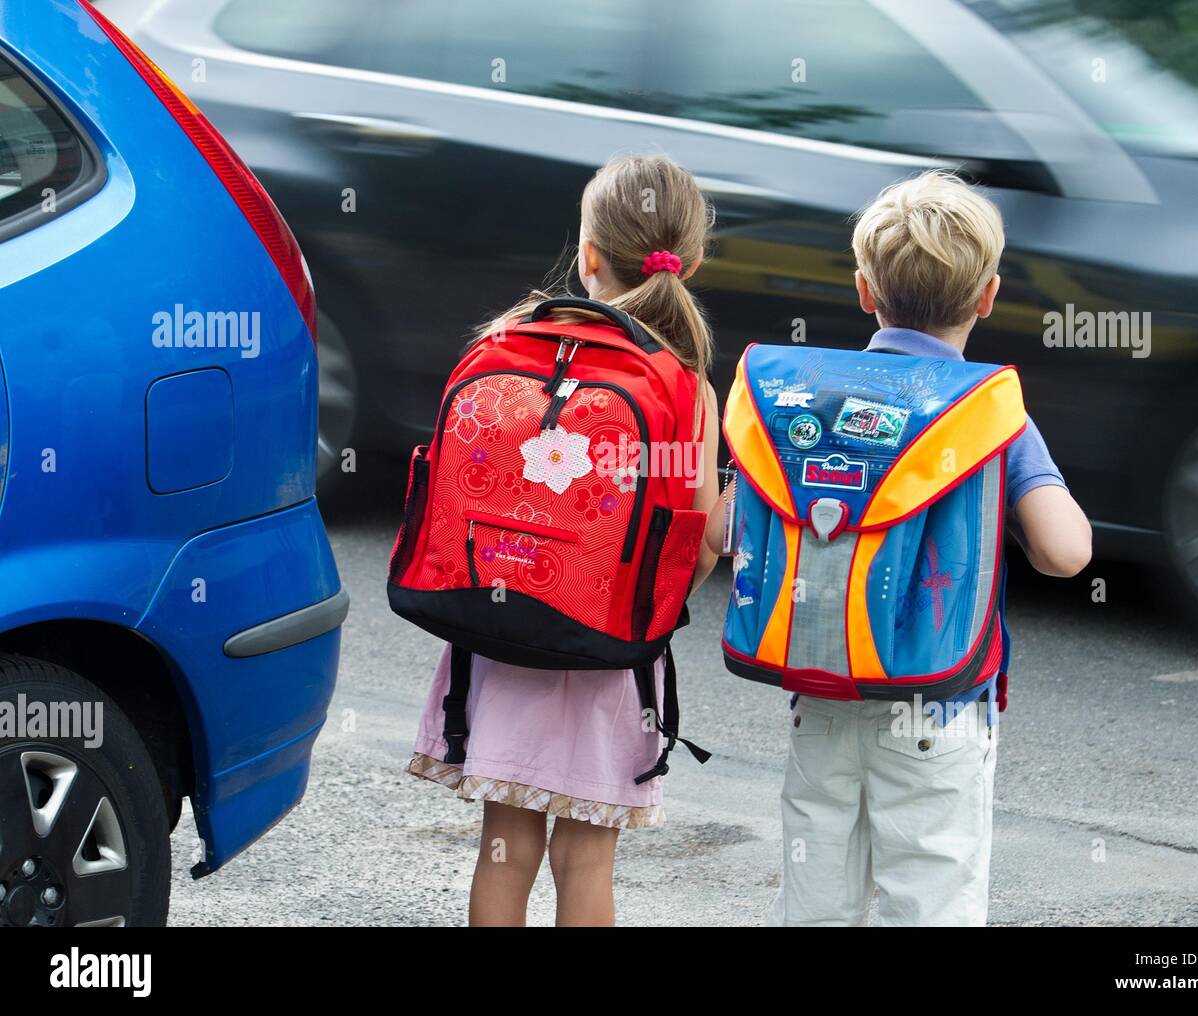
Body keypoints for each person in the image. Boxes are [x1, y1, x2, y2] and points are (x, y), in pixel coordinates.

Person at [754, 170, 1092, 926]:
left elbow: (726, 528)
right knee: (931, 898)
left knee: (814, 897)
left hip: (826, 690)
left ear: (864, 291)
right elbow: (1066, 552)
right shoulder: (987, 413)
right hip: (938, 706)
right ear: (988, 296)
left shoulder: (812, 396)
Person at [408, 154, 720, 927]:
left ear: (587, 259)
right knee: (586, 860)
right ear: (692, 260)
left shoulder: (513, 342)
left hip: (499, 632)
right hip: (608, 651)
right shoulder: (687, 386)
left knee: (502, 848)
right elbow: (701, 541)